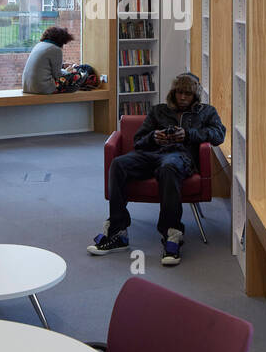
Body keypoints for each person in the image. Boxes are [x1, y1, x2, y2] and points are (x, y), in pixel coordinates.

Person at [89, 72, 225, 267]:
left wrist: (188, 134)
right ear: (173, 93)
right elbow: (138, 141)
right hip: (151, 154)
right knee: (119, 164)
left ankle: (172, 235)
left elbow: (218, 135)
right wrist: (154, 137)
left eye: (188, 93)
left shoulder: (206, 112)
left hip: (179, 157)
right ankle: (117, 232)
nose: (183, 97)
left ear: (195, 95)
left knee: (168, 168)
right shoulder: (158, 111)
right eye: (180, 93)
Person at [21, 26, 73, 94]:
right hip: (43, 88)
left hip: (27, 87)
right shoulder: (56, 49)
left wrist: (62, 66)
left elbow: (44, 66)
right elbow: (57, 75)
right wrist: (67, 71)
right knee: (75, 75)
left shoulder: (39, 45)